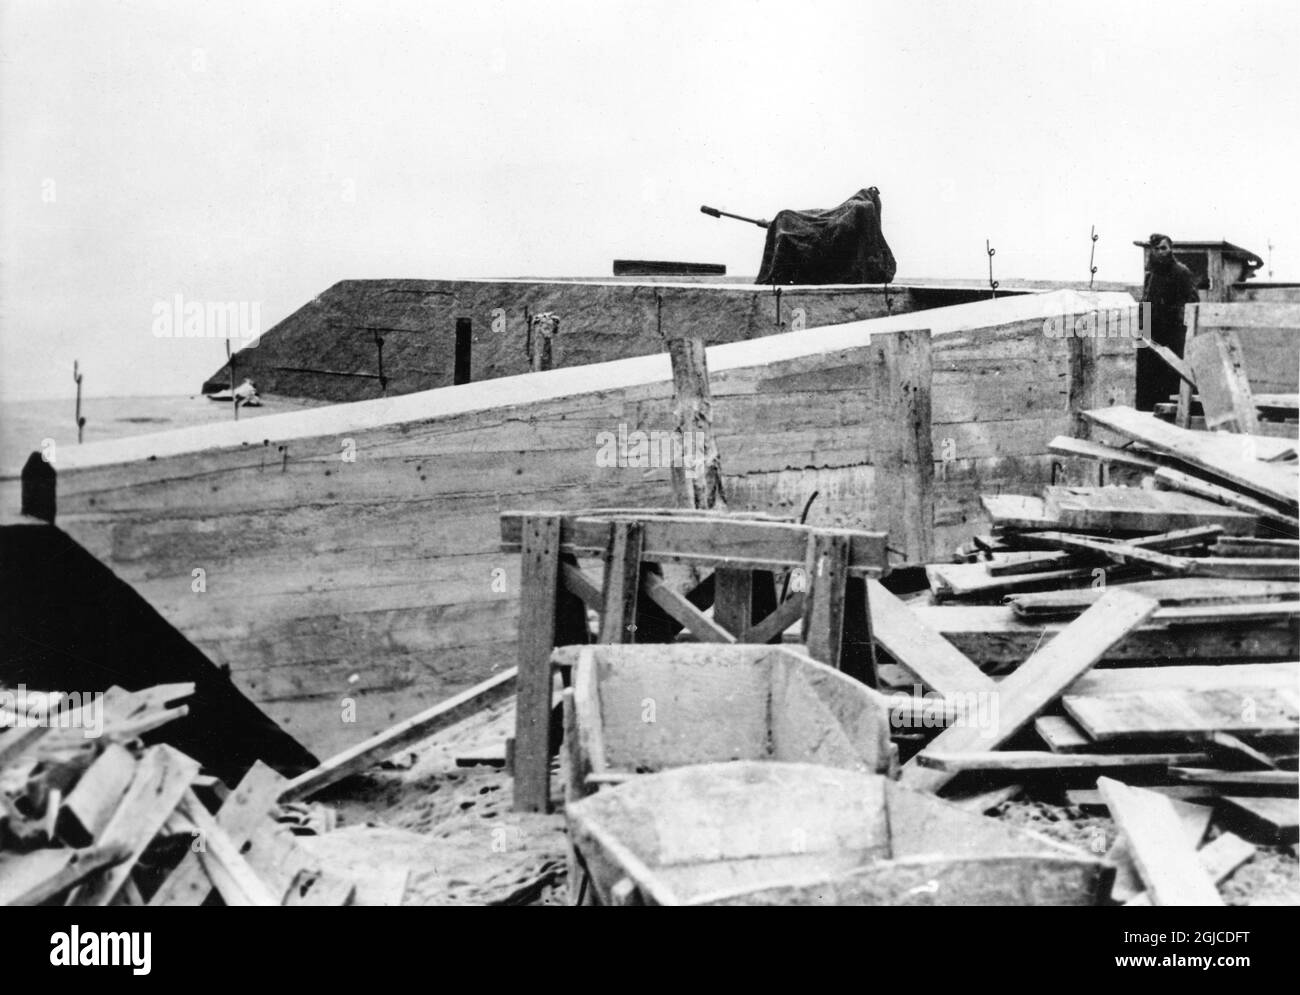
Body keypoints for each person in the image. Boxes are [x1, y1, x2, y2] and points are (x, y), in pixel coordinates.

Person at [1136, 233, 1200, 411]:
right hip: (1151, 338)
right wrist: (1142, 336)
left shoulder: (1181, 272)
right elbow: (1146, 304)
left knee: (1172, 382)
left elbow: (1192, 304)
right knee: (1149, 385)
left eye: (1164, 248)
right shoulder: (1151, 275)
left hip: (1173, 338)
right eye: (1156, 249)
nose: (1160, 252)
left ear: (1170, 249)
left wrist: (1175, 323)